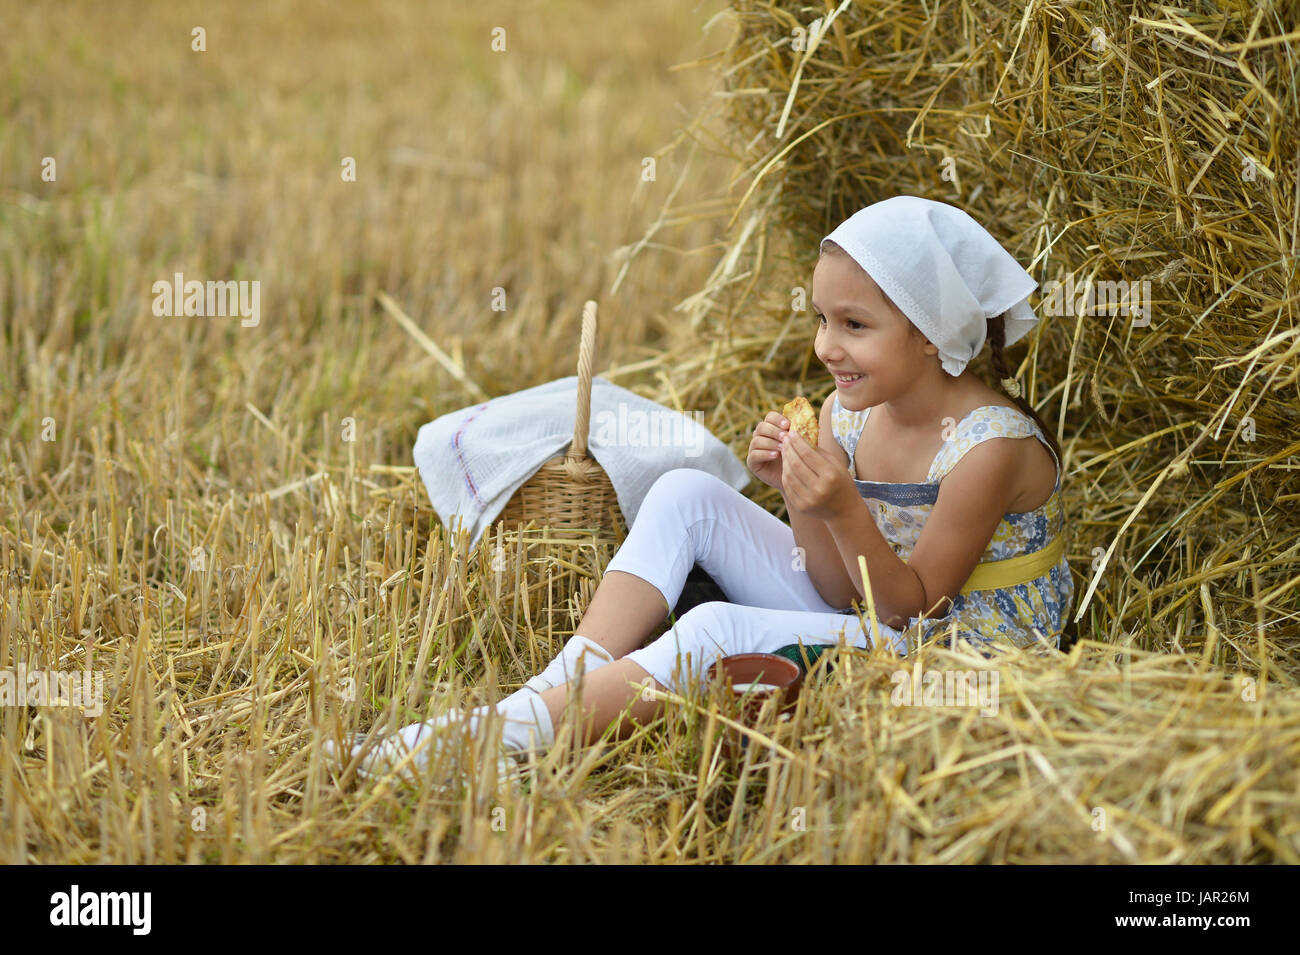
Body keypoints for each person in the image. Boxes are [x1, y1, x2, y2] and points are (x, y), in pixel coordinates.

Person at [328, 195, 1074, 787]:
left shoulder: (989, 446)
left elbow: (914, 609)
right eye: (821, 319)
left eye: (854, 324)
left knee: (713, 627)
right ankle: (554, 686)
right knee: (687, 492)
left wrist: (842, 506)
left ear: (930, 332)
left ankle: (491, 742)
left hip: (955, 652)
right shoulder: (849, 411)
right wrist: (799, 497)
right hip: (873, 608)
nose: (826, 346)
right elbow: (829, 585)